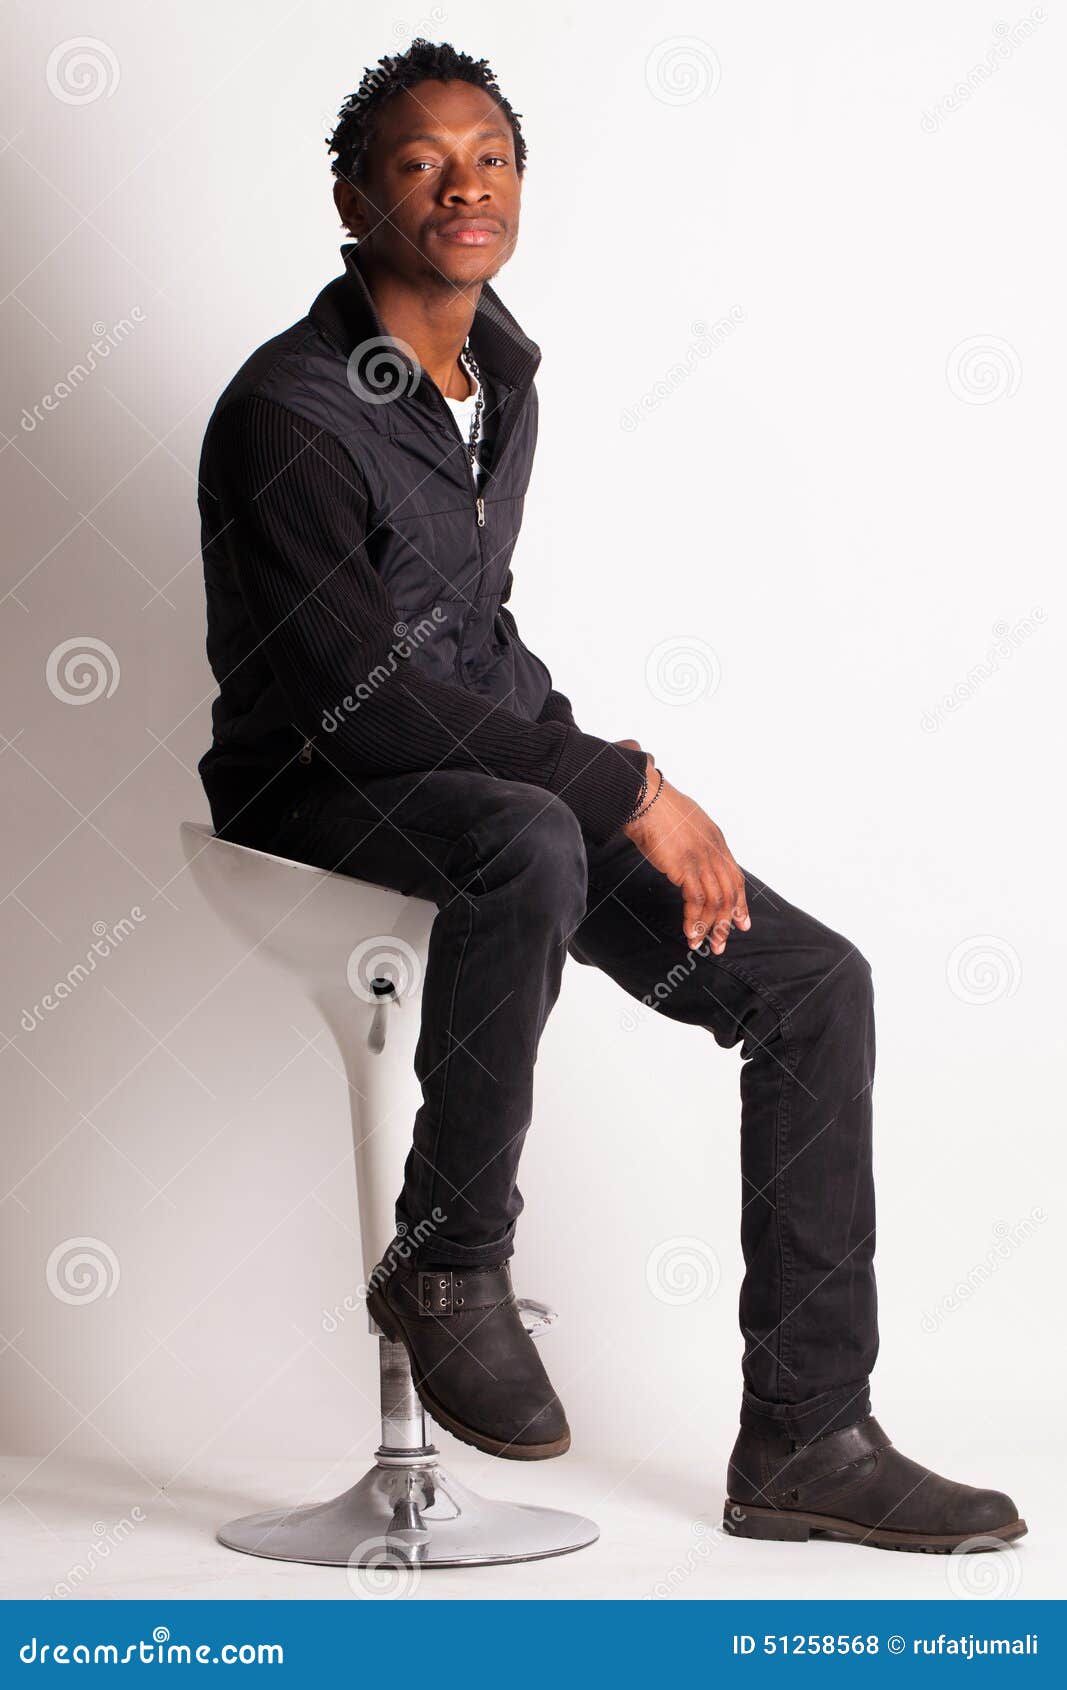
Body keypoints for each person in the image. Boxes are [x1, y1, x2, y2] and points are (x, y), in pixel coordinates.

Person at [196, 39, 1024, 1553]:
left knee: (815, 983)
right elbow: (352, 693)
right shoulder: (292, 409)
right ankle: (450, 1259)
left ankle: (808, 1434)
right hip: (307, 786)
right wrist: (615, 786)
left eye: (491, 158)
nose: (465, 186)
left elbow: (469, 631)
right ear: (353, 200)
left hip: (475, 777)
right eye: (420, 163)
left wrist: (597, 765)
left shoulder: (497, 374)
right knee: (526, 829)